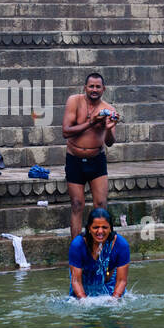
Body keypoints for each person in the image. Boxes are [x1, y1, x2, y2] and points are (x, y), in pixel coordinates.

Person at [61, 72, 119, 237]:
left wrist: (108, 129)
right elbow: (66, 132)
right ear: (85, 87)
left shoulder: (109, 110)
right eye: (91, 86)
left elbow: (109, 142)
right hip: (74, 159)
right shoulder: (74, 101)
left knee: (100, 205)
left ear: (103, 89)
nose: (94, 89)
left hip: (96, 160)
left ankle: (99, 249)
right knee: (77, 204)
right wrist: (91, 123)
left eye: (97, 87)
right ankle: (76, 250)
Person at [69, 207, 130, 299]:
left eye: (104, 227)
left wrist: (114, 300)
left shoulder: (121, 244)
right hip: (84, 285)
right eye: (96, 227)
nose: (100, 231)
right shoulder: (77, 245)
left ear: (110, 228)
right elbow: (76, 281)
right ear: (89, 228)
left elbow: (121, 280)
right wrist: (84, 301)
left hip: (110, 285)